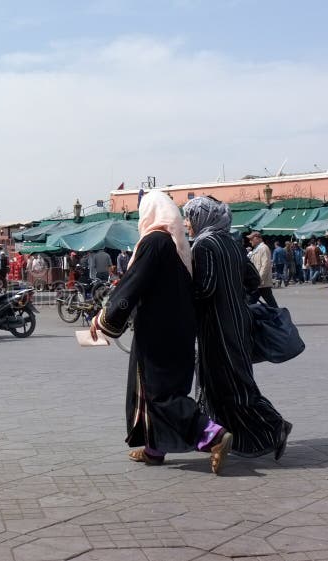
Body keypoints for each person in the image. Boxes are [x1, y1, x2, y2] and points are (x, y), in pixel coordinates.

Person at [90, 191, 233, 474]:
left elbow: (133, 284)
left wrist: (105, 318)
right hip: (178, 331)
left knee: (159, 395)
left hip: (158, 334)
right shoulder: (178, 246)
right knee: (161, 389)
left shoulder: (154, 242)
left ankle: (212, 434)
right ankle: (154, 449)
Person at [184, 196, 292, 461]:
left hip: (218, 327)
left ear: (201, 218)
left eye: (189, 217)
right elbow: (253, 280)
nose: (186, 223)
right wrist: (235, 299)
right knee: (233, 380)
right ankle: (221, 437)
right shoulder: (230, 242)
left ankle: (274, 425)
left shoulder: (203, 245)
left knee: (229, 383)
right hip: (238, 322)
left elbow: (205, 287)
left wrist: (181, 300)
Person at [247, 231, 278, 307]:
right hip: (259, 282)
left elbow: (265, 265)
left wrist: (260, 279)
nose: (250, 241)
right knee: (250, 302)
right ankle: (278, 316)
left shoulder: (263, 248)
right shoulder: (256, 249)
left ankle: (279, 316)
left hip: (262, 282)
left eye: (251, 239)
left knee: (250, 302)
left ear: (257, 239)